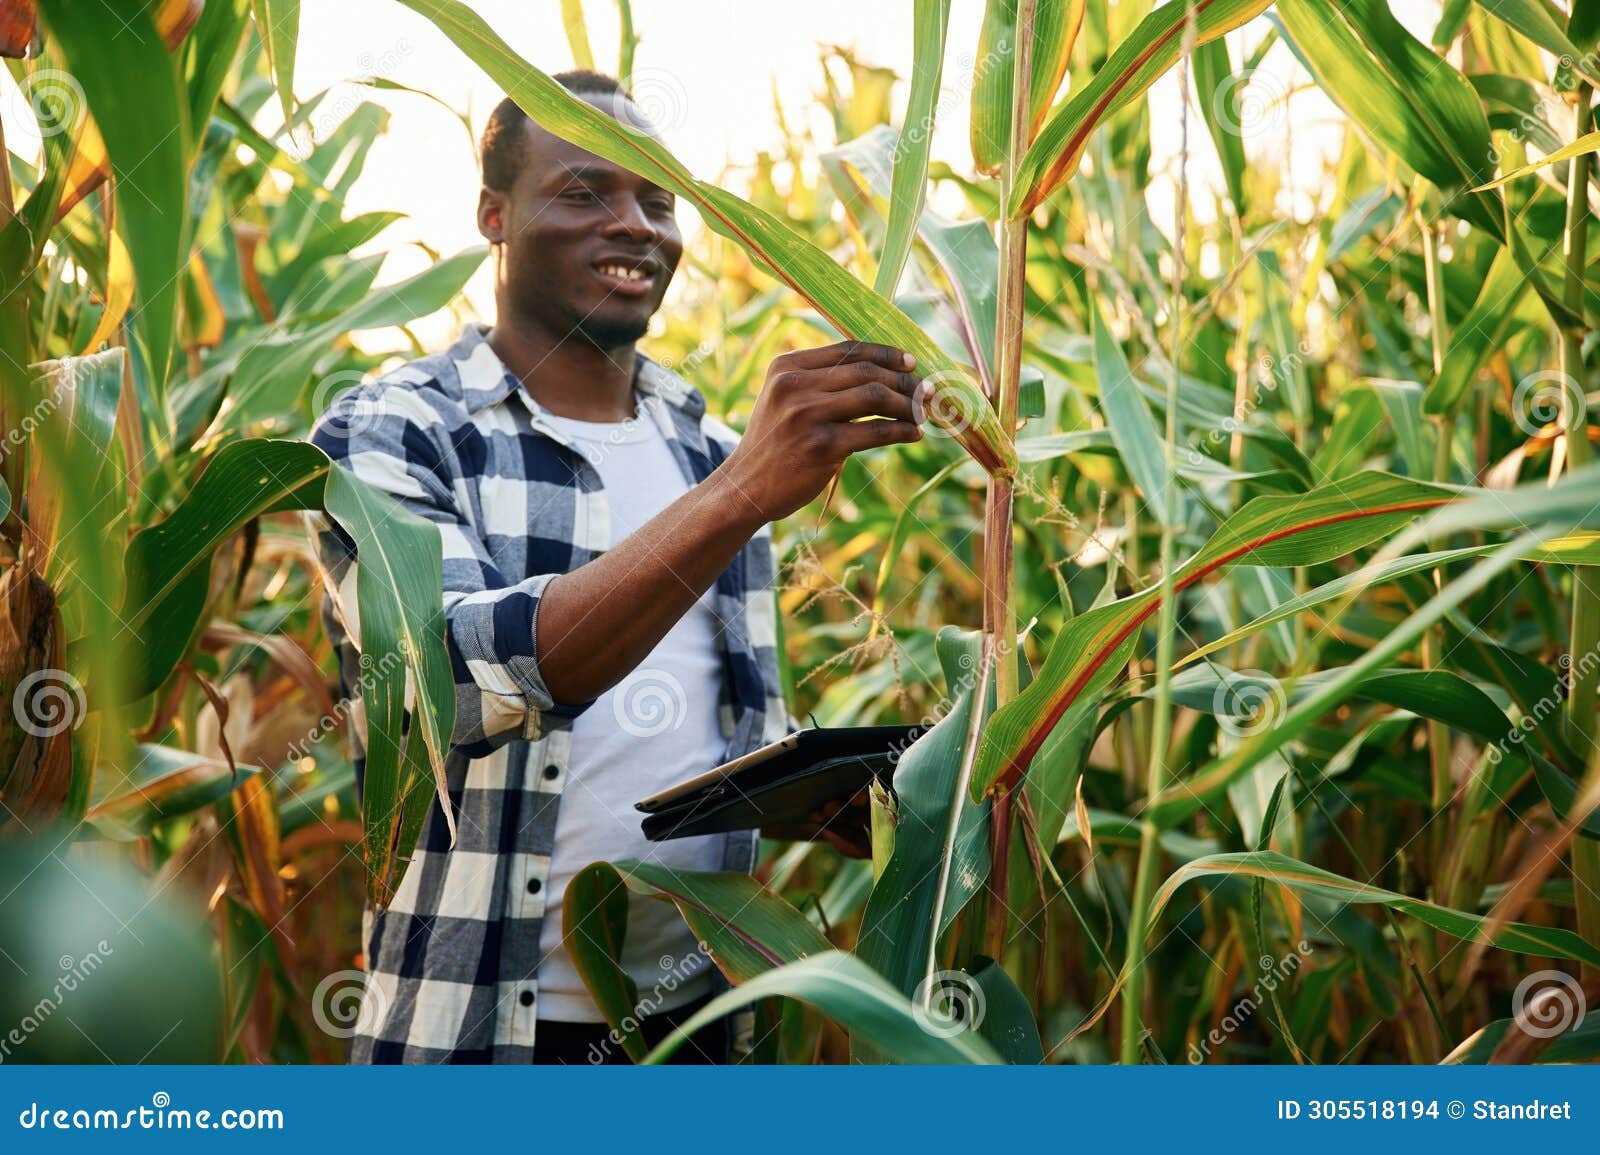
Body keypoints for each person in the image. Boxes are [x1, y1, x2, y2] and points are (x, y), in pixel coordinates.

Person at [309, 70, 929, 1064]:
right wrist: (740, 495)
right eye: (587, 192)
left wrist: (869, 796)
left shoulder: (710, 449)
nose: (636, 225)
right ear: (494, 215)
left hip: (696, 1031)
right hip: (476, 1032)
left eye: (658, 200)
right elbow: (455, 686)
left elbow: (723, 744)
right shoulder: (396, 428)